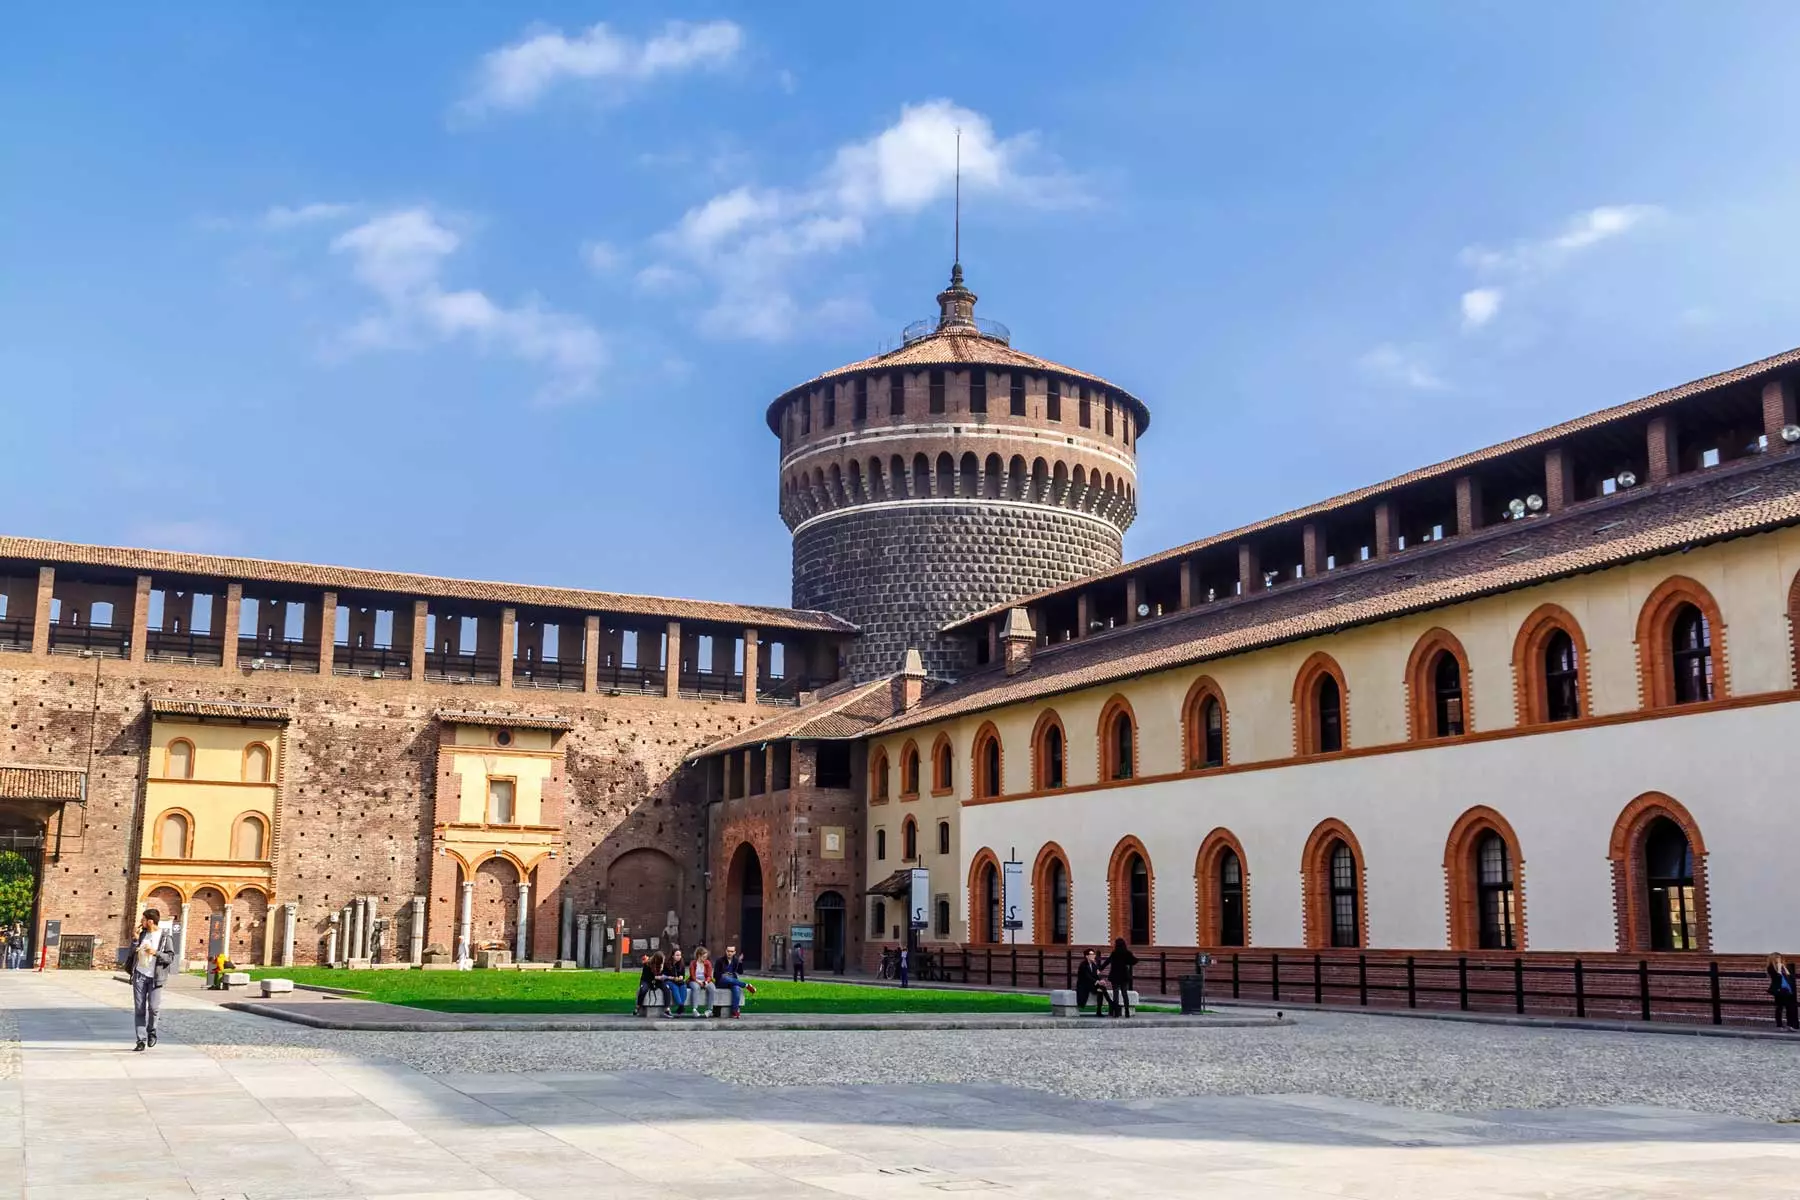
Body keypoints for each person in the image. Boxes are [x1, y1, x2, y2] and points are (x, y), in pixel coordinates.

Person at [130, 907, 177, 1051]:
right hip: (140, 974)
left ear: (150, 921)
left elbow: (170, 957)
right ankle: (140, 1040)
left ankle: (152, 1031)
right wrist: (135, 940)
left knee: (153, 1008)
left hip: (156, 977)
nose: (141, 922)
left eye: (143, 920)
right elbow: (132, 954)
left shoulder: (164, 937)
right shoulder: (142, 934)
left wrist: (156, 953)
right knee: (139, 1009)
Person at [1101, 937, 1138, 1018]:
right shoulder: (1127, 953)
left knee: (1116, 994)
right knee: (1125, 994)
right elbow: (1134, 961)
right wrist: (1127, 962)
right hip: (1124, 976)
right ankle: (1127, 1011)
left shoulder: (1114, 953)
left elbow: (1107, 962)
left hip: (1115, 976)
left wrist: (1100, 969)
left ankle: (1116, 1012)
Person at [717, 943, 757, 1018]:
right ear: (726, 951)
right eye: (728, 951)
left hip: (733, 981)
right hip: (722, 981)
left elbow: (740, 972)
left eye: (731, 951)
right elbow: (715, 975)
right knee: (726, 978)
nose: (729, 953)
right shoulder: (720, 961)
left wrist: (740, 963)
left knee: (736, 988)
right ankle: (746, 985)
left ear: (734, 952)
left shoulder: (735, 961)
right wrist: (724, 975)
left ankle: (735, 1012)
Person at [1769, 953, 1798, 1030]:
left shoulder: (1783, 967)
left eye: (1780, 958)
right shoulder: (1771, 968)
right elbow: (1777, 977)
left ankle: (1790, 1025)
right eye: (1777, 958)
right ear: (1773, 959)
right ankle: (1779, 1025)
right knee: (1779, 1007)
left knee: (1790, 1007)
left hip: (1787, 989)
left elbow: (1789, 975)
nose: (1779, 959)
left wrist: (1784, 967)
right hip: (1779, 990)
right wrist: (1778, 967)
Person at [1076, 948, 1106, 1017]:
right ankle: (1112, 1004)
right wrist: (1097, 981)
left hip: (1092, 984)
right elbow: (1087, 977)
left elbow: (1097, 975)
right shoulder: (1083, 965)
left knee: (1102, 988)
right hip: (1084, 985)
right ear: (1087, 956)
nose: (1093, 956)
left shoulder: (1094, 964)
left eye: (1094, 954)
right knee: (1101, 989)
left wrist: (1101, 980)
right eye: (1091, 954)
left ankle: (1099, 1011)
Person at [661, 947, 689, 1017]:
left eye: (680, 955)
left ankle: (680, 1006)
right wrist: (672, 978)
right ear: (672, 956)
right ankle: (681, 1005)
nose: (679, 957)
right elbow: (663, 975)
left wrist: (681, 977)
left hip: (678, 981)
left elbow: (683, 975)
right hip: (668, 980)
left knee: (683, 986)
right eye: (677, 955)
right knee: (674, 987)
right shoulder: (667, 963)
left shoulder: (681, 963)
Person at [689, 946, 715, 1017]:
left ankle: (709, 1010)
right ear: (698, 956)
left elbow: (709, 976)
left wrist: (706, 982)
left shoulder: (708, 963)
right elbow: (692, 976)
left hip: (705, 980)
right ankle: (695, 1010)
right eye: (703, 957)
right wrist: (698, 982)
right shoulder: (693, 963)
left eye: (706, 956)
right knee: (696, 987)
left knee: (712, 988)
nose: (705, 958)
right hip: (694, 980)